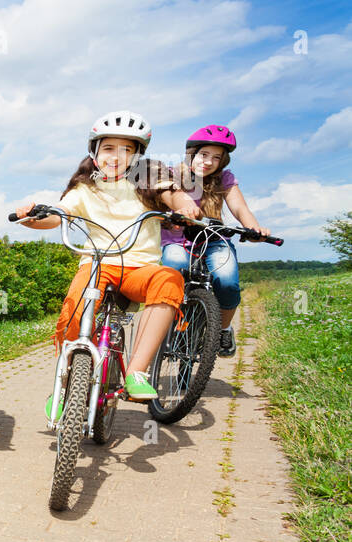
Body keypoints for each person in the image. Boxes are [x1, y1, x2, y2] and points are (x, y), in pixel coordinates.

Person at [14, 110, 185, 406]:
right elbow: (59, 216)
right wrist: (32, 218)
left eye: (127, 150)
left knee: (170, 279)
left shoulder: (149, 181)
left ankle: (137, 373)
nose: (116, 156)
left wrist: (187, 208)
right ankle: (65, 383)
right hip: (98, 265)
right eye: (108, 148)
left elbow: (176, 197)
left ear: (137, 156)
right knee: (74, 311)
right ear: (94, 153)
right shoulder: (84, 189)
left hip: (140, 269)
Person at [160, 125, 269, 357]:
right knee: (174, 267)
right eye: (204, 154)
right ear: (191, 153)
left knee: (227, 281)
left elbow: (239, 207)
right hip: (177, 240)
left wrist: (253, 227)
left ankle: (224, 329)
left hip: (212, 239)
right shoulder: (170, 174)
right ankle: (166, 324)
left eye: (216, 157)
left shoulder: (224, 179)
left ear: (223, 161)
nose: (208, 161)